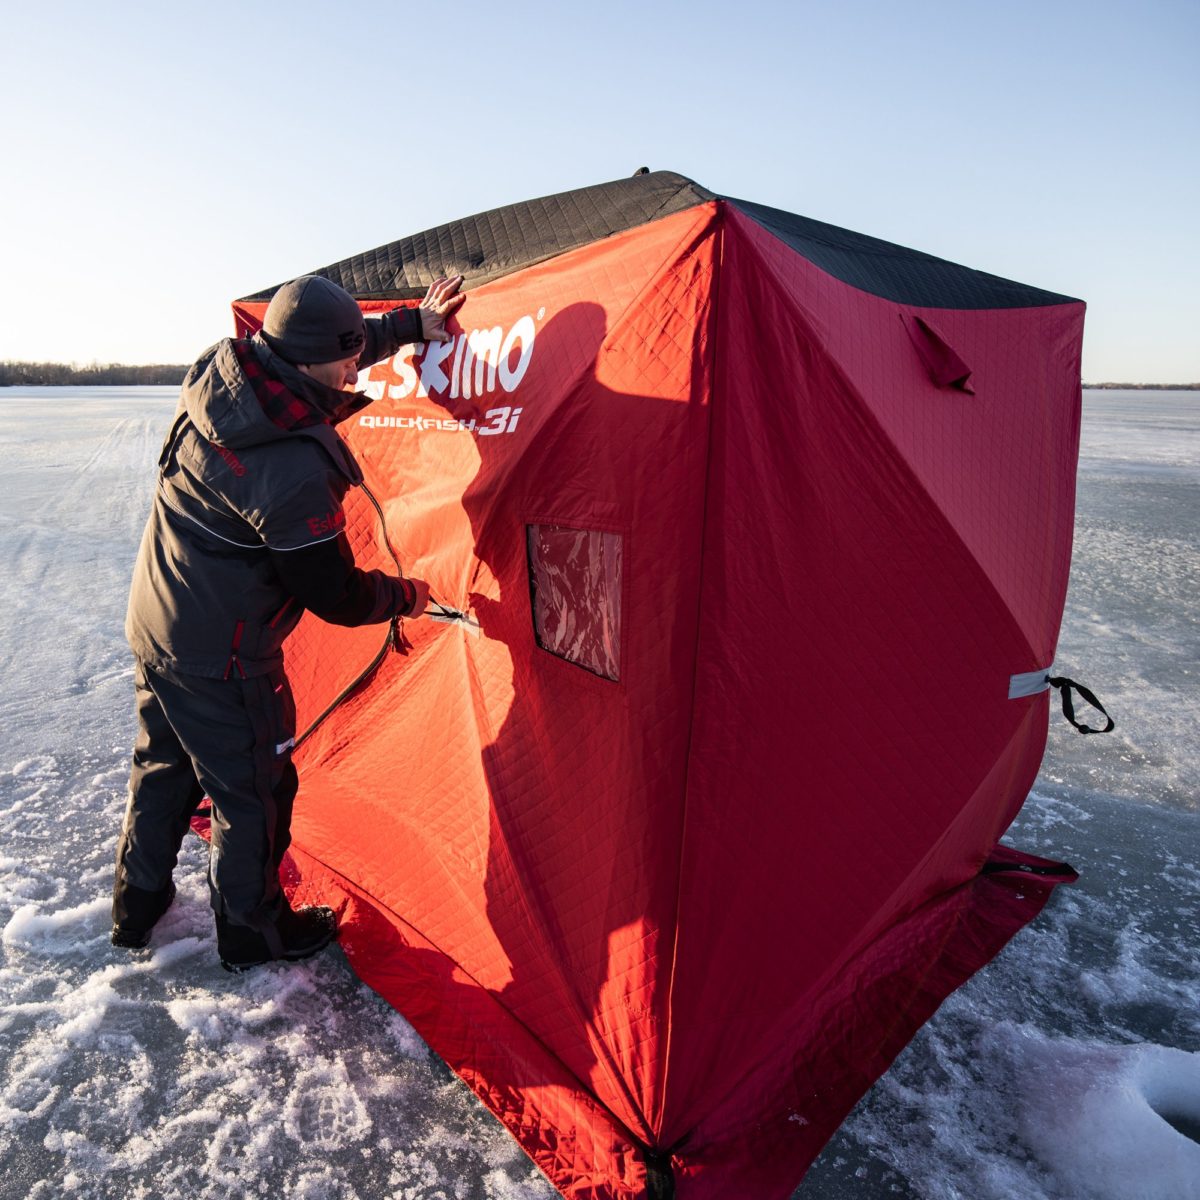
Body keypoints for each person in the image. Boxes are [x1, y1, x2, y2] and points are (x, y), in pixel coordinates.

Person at [112, 273, 465, 970]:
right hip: (225, 654)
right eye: (343, 357)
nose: (350, 367)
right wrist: (406, 597)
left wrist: (407, 327)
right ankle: (252, 933)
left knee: (164, 767)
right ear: (306, 361)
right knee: (255, 793)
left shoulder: (231, 373)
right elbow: (331, 592)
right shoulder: (292, 470)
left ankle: (136, 905)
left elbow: (319, 359)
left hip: (159, 619)